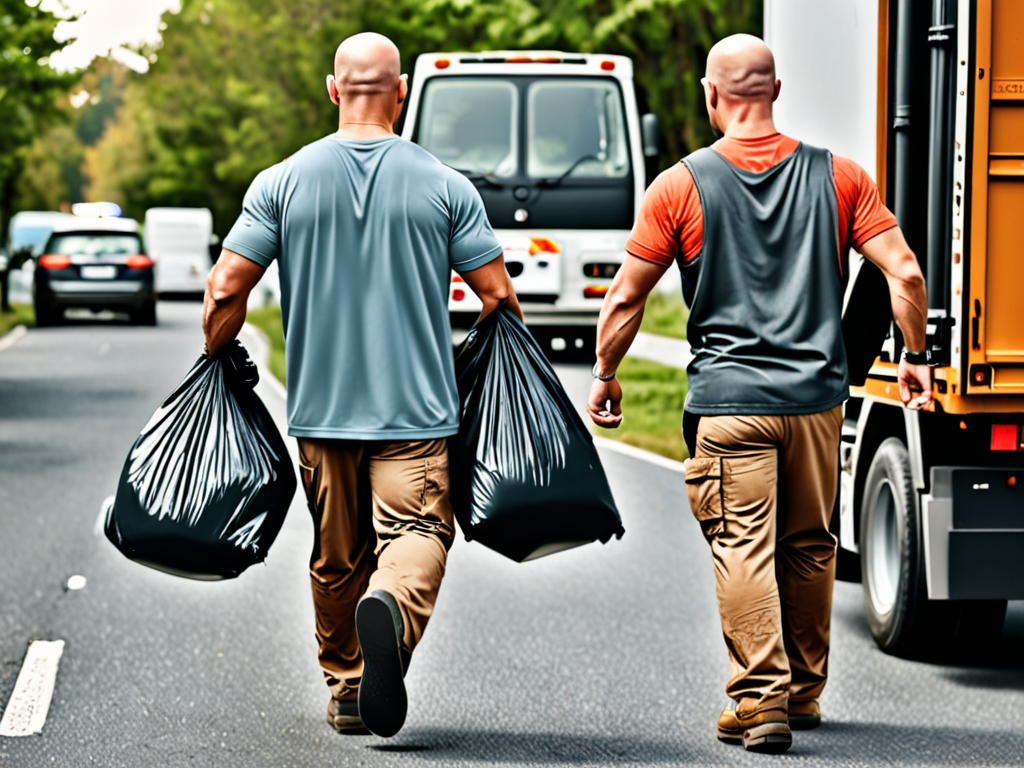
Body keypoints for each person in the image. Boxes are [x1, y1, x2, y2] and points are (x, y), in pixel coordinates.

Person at [587, 34, 930, 754]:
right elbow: (903, 274)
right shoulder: (842, 177)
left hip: (729, 403)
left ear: (713, 97)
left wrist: (607, 374)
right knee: (810, 545)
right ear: (776, 90)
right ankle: (801, 694)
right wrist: (915, 358)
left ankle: (760, 700)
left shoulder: (679, 185)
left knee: (743, 546)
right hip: (815, 404)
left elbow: (625, 298)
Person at [202, 32, 522, 738]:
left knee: (335, 556)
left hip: (321, 411)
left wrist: (217, 350)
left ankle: (348, 685)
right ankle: (394, 612)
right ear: (400, 90)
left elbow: (226, 291)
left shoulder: (281, 181)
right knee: (417, 531)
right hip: (417, 413)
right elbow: (498, 297)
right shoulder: (444, 184)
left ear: (331, 89)